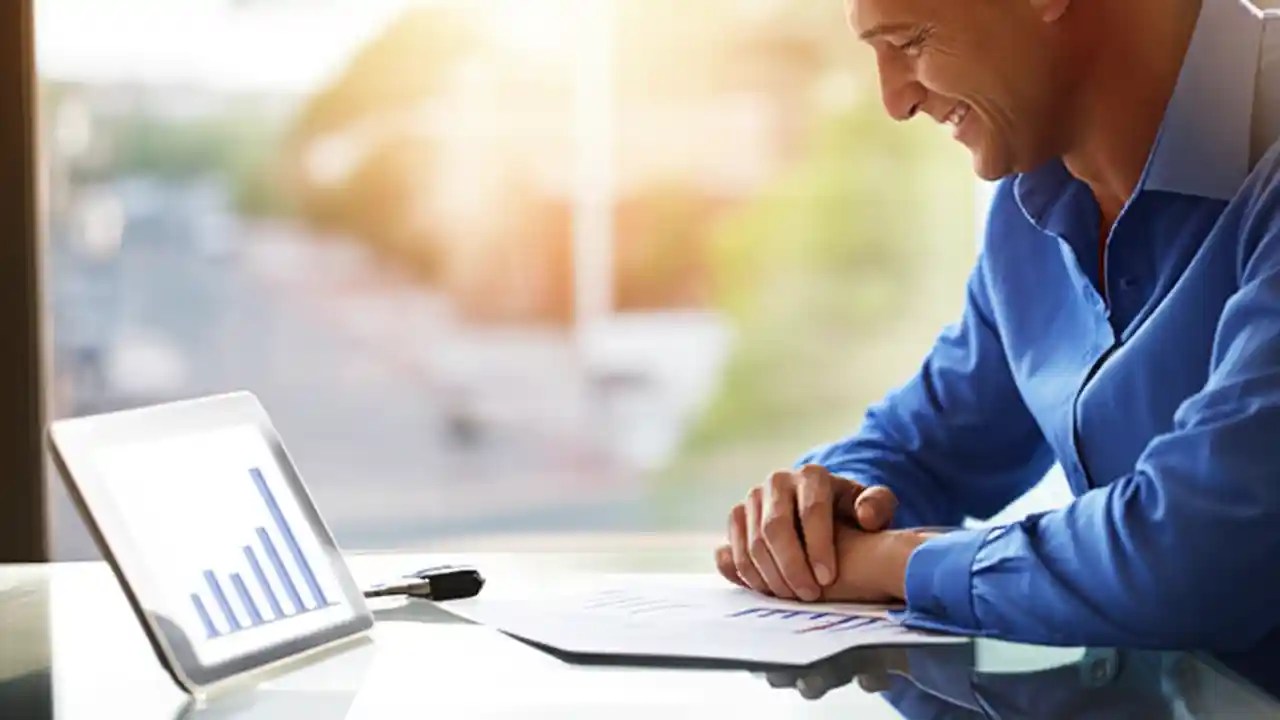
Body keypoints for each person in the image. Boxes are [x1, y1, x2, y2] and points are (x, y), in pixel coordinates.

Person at [714, 0, 1280, 653]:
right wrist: (815, 517)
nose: (895, 101)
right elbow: (925, 444)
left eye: (911, 40)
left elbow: (1194, 556)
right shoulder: (1031, 207)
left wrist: (901, 563)